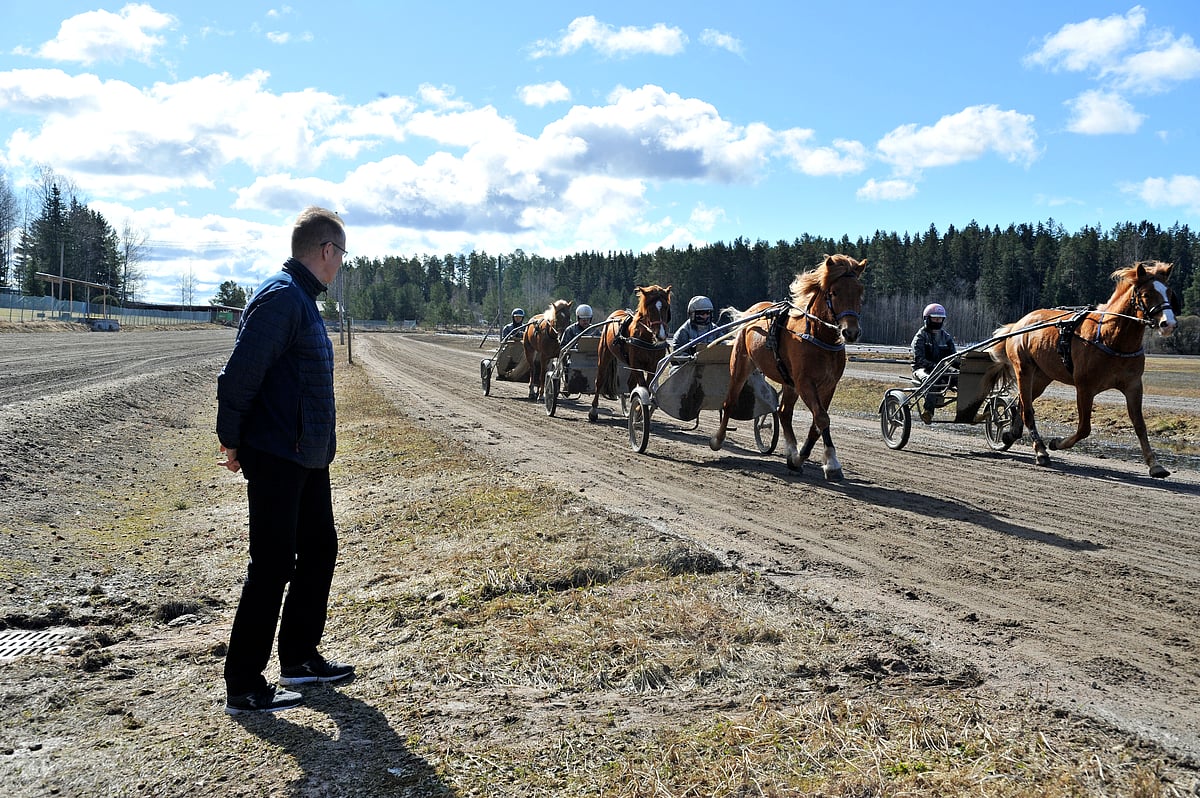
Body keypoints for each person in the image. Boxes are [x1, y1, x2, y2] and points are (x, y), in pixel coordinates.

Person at [216, 206, 355, 715]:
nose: (341, 264)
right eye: (341, 254)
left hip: (307, 457)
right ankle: (244, 684)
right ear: (326, 251)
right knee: (272, 564)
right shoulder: (280, 298)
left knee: (319, 550)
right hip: (279, 454)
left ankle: (297, 657)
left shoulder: (301, 300)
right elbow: (239, 376)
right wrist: (231, 440)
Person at [911, 302, 958, 424]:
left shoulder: (946, 337)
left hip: (942, 369)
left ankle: (969, 412)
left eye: (940, 318)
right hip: (922, 370)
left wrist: (963, 366)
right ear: (927, 319)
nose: (937, 321)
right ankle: (928, 412)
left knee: (962, 378)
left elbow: (954, 357)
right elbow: (919, 360)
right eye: (935, 318)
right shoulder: (920, 337)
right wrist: (936, 367)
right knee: (931, 379)